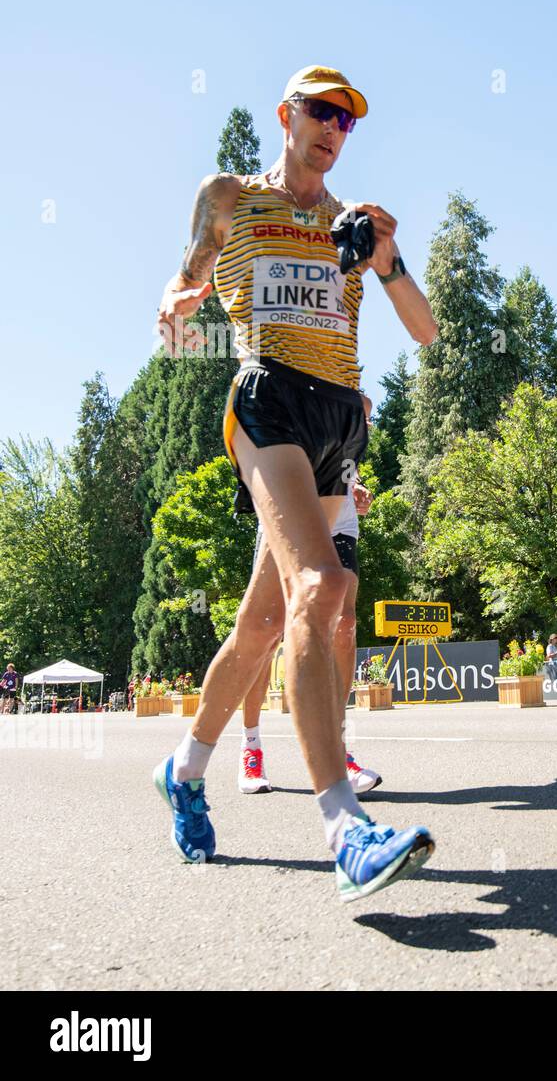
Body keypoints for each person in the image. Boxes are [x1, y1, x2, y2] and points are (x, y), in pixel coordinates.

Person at [153, 65, 439, 900]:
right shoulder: (232, 195)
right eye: (319, 112)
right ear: (285, 116)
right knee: (323, 585)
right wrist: (176, 300)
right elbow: (191, 272)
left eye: (346, 120)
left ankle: (185, 764)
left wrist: (386, 259)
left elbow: (423, 330)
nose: (332, 129)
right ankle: (344, 826)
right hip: (267, 397)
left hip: (339, 418)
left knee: (263, 624)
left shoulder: (353, 223)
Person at [236, 474, 382, 795]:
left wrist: (354, 484)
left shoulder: (357, 422)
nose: (368, 421)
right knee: (268, 632)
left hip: (338, 522)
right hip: (287, 516)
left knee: (344, 624)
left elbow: (346, 451)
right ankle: (251, 748)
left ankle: (336, 751)